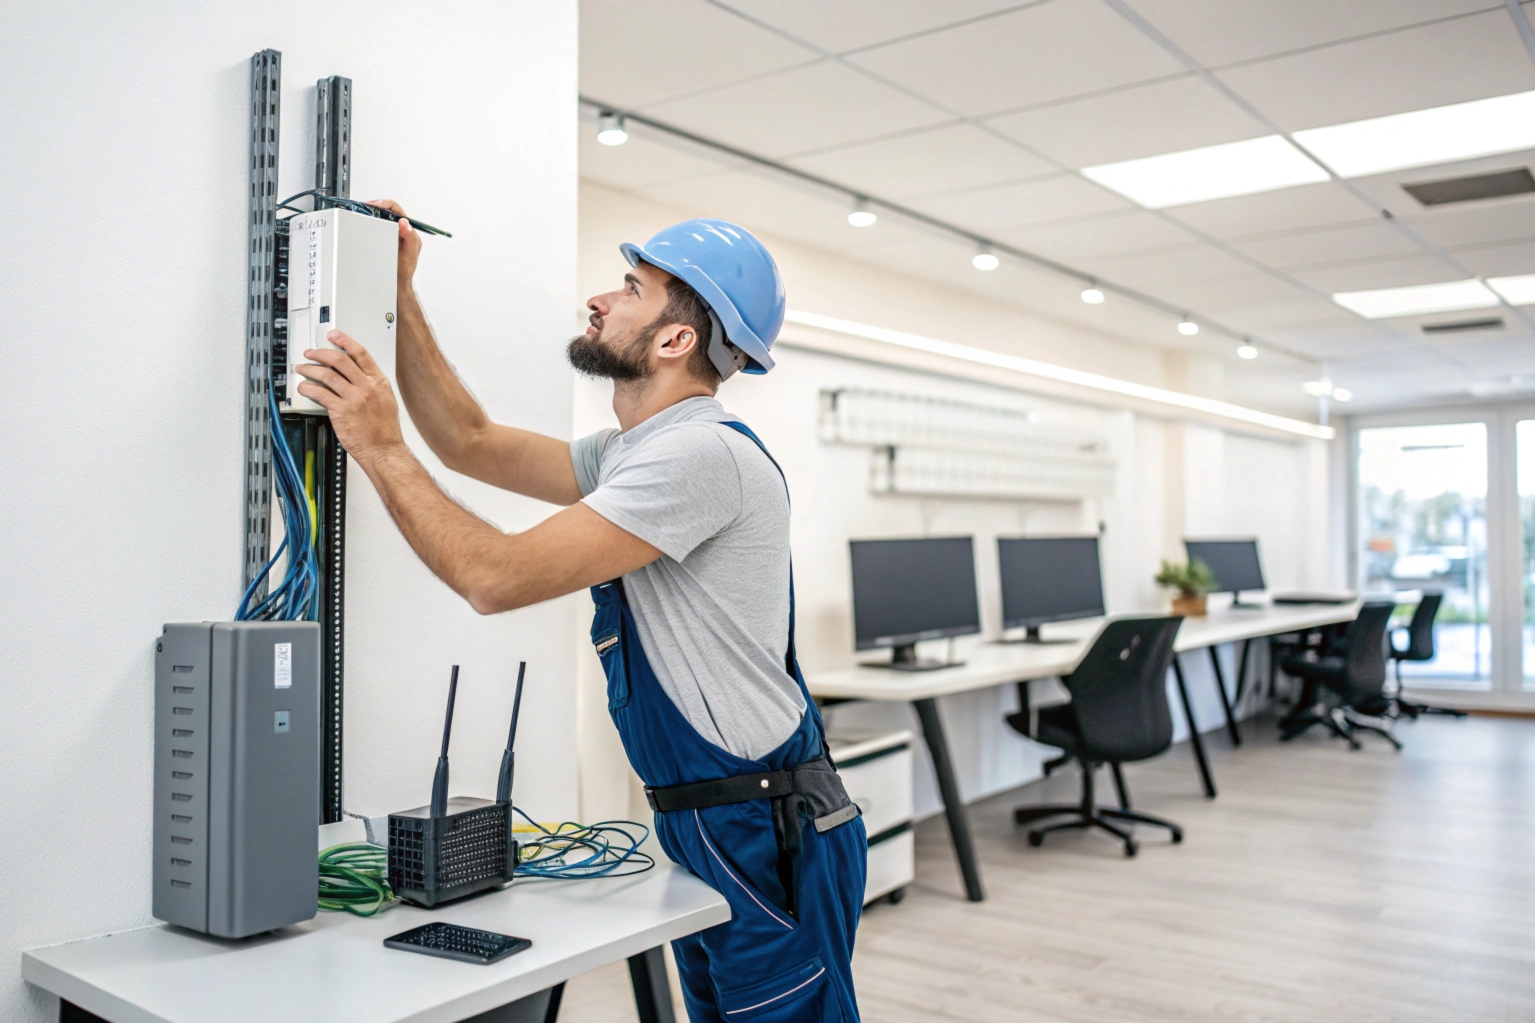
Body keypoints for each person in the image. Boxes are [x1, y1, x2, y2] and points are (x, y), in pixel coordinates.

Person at [294, 207, 867, 1022]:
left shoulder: (698, 454)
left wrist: (379, 446)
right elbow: (469, 440)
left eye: (632, 288)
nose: (599, 298)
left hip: (761, 825)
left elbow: (493, 576)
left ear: (673, 341)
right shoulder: (634, 450)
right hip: (714, 816)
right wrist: (399, 292)